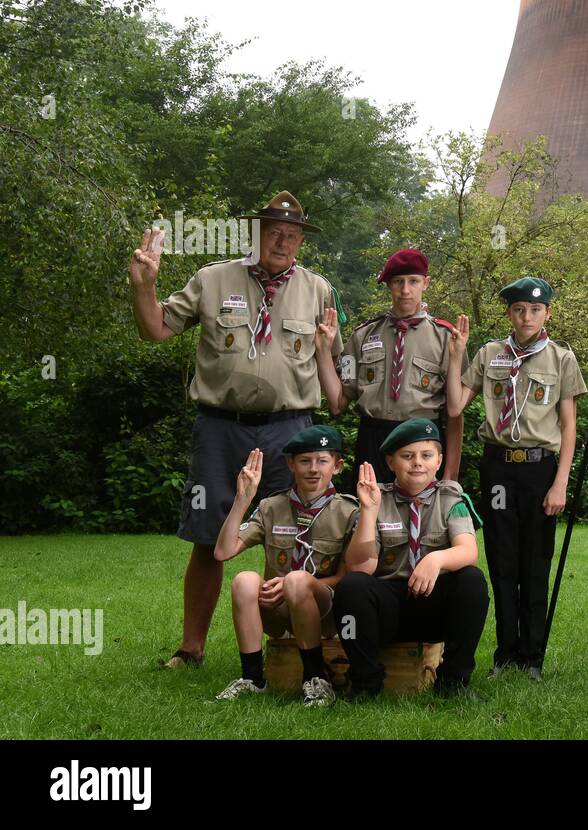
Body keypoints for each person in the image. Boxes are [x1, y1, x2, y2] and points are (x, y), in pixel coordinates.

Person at [128, 191, 344, 669]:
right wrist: (145, 286)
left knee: (300, 536)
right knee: (208, 538)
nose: (283, 242)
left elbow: (333, 364)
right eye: (274, 232)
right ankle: (191, 648)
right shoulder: (212, 278)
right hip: (220, 430)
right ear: (254, 233)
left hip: (291, 431)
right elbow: (155, 329)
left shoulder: (319, 290)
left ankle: (297, 649)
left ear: (301, 241)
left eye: (292, 235)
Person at [446, 277, 586, 680]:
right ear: (509, 313)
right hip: (498, 468)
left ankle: (533, 657)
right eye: (519, 309)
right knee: (502, 561)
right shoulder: (490, 354)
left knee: (535, 563)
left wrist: (560, 483)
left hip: (540, 469)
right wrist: (457, 355)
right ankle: (505, 653)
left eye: (535, 310)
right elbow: (455, 407)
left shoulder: (561, 358)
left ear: (548, 313)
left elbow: (569, 426)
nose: (527, 317)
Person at [333, 418, 489, 699]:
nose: (417, 463)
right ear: (391, 462)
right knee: (352, 586)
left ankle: (453, 682)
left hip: (434, 606)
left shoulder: (451, 500)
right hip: (388, 608)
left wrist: (435, 560)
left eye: (426, 456)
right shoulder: (377, 499)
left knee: (472, 580)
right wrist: (368, 512)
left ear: (439, 461)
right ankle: (366, 683)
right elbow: (360, 566)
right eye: (407, 456)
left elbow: (468, 551)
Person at [212, 426, 357, 707]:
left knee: (296, 581)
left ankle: (316, 678)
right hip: (278, 609)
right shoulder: (272, 506)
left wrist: (296, 583)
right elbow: (223, 552)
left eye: (322, 461)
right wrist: (242, 499)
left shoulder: (349, 511)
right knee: (244, 580)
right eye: (304, 461)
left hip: (325, 611)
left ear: (337, 466)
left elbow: (348, 576)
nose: (313, 469)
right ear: (291, 464)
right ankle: (252, 678)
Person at [325, 248, 463, 486]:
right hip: (373, 440)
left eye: (413, 281)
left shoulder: (446, 339)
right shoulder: (361, 337)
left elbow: (455, 413)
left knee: (421, 510)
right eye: (398, 282)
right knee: (370, 506)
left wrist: (451, 471)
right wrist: (322, 351)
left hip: (422, 441)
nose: (405, 290)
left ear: (426, 283)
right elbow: (339, 403)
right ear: (388, 284)